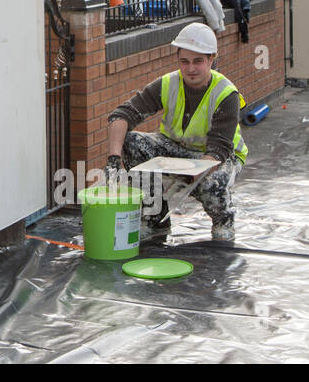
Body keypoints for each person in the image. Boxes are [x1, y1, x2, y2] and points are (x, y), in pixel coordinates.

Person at [102, 22, 248, 242]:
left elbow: (218, 150)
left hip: (217, 156)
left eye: (198, 61)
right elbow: (122, 114)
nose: (190, 69)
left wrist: (185, 179)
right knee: (130, 142)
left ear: (211, 59)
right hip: (176, 147)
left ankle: (223, 221)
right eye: (184, 61)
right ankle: (154, 219)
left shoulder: (226, 94)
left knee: (211, 183)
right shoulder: (168, 83)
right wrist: (113, 157)